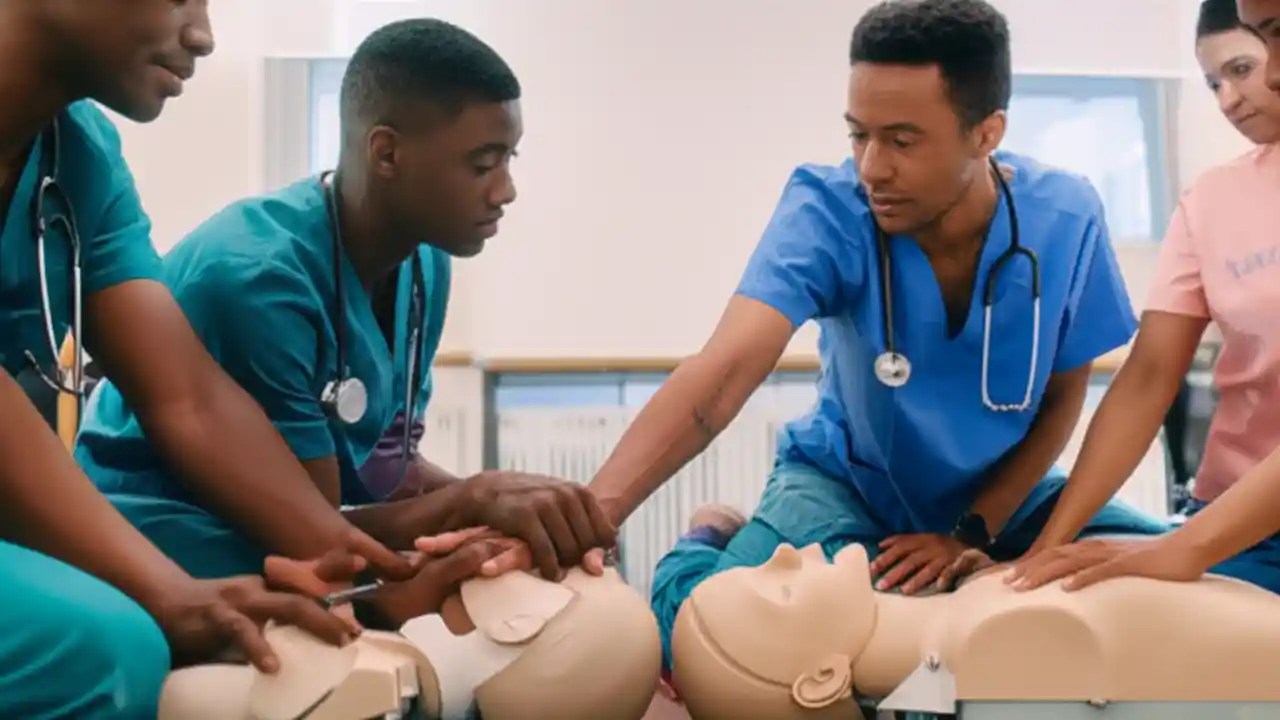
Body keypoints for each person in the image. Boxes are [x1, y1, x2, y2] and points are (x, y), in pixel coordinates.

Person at [577, 0, 1169, 672]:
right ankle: (704, 542)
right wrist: (591, 517)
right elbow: (723, 373)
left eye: (902, 140)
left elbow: (1064, 396)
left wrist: (975, 530)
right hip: (843, 483)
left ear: (986, 132)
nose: (870, 167)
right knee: (715, 644)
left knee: (1162, 577)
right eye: (859, 134)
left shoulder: (1065, 215)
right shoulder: (827, 209)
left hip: (1000, 489)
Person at [0, 2, 479, 717]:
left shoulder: (81, 156)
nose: (203, 33)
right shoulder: (255, 266)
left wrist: (351, 569)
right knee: (104, 649)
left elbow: (187, 394)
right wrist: (164, 591)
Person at [72, 17, 615, 610]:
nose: (506, 190)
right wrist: (472, 501)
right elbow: (314, 529)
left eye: (509, 158)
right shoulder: (258, 279)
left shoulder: (424, 263)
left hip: (295, 531)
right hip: (166, 534)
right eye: (483, 164)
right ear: (386, 152)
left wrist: (517, 507)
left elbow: (388, 467)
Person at [1001, 0, 1280, 593]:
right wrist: (1049, 547)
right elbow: (1149, 376)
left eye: (1240, 68)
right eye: (1212, 83)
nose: (1229, 98)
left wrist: (1185, 550)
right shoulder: (1211, 201)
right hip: (1234, 521)